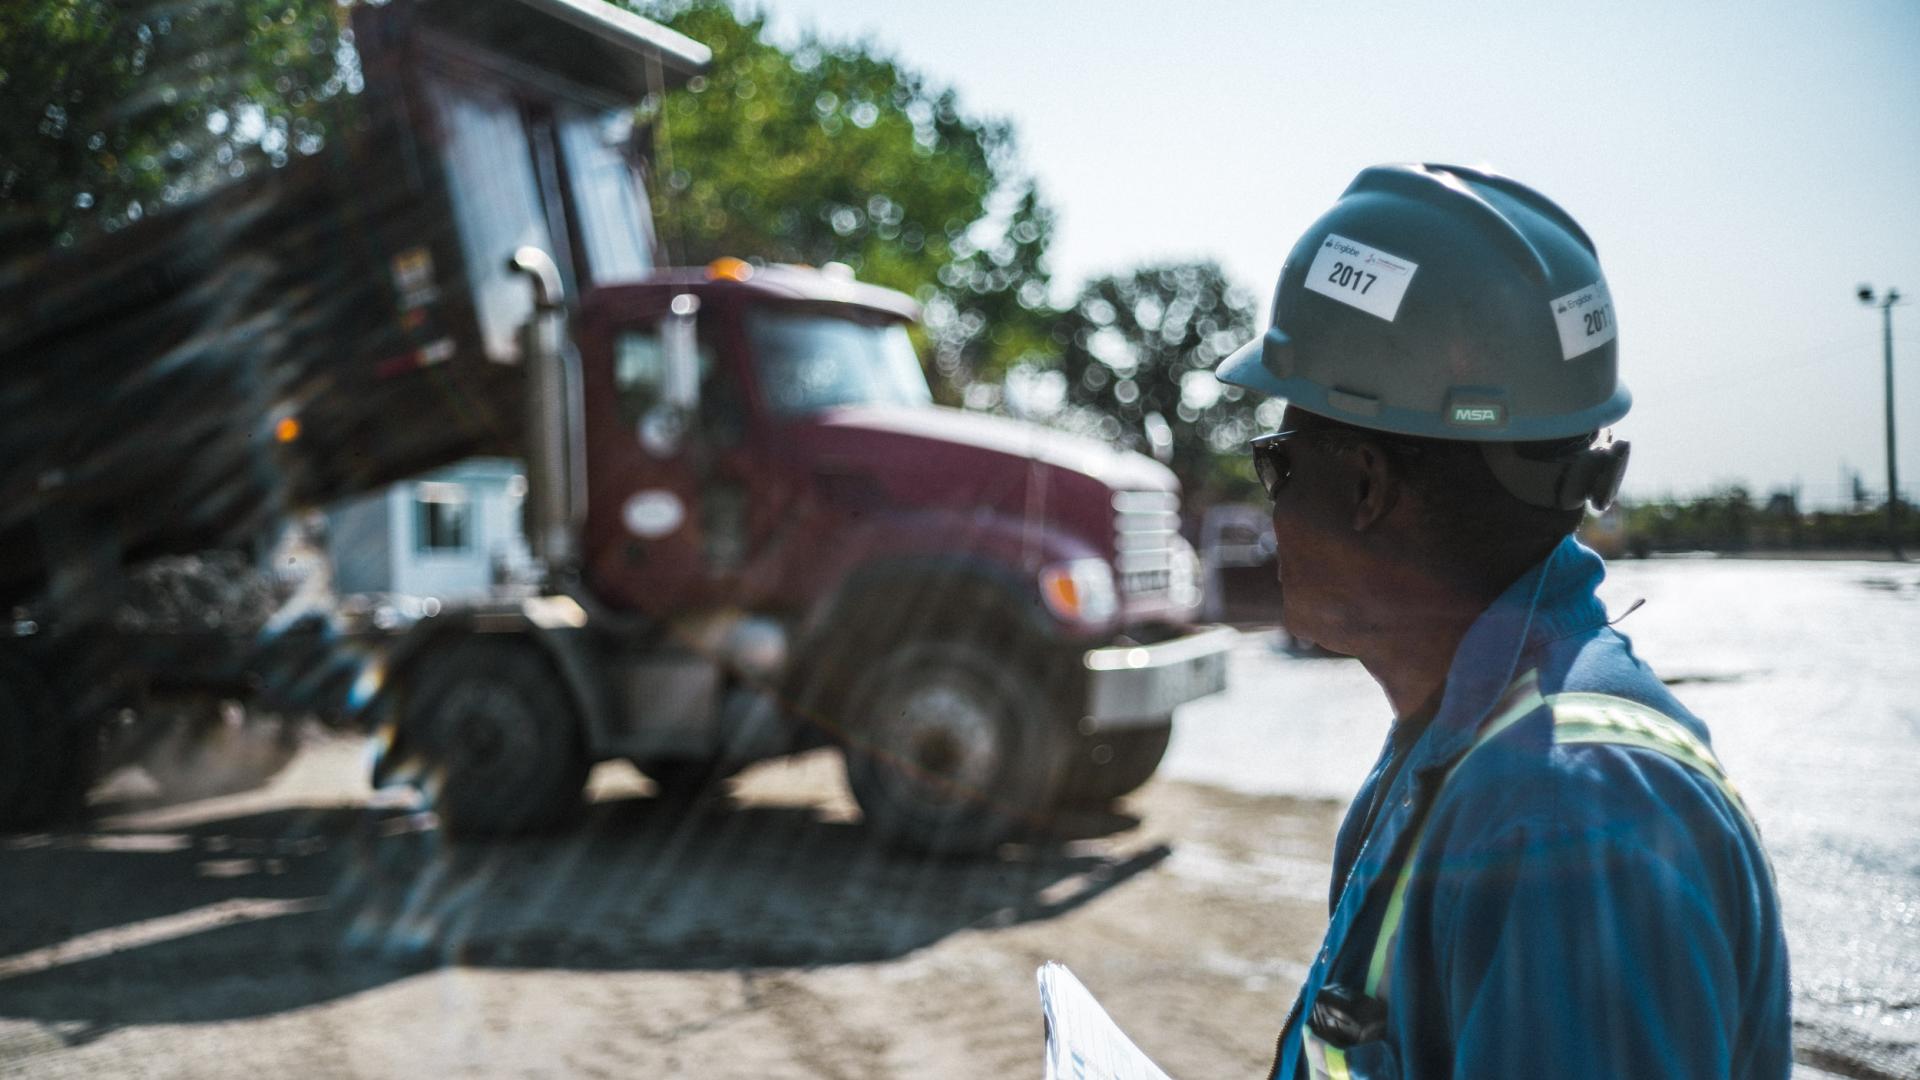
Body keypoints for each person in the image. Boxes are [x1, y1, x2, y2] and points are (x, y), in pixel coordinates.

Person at [1214, 163, 1790, 1079]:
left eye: (1276, 462)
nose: (1266, 506)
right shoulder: (1468, 742)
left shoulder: (1567, 818)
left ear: (1365, 485)